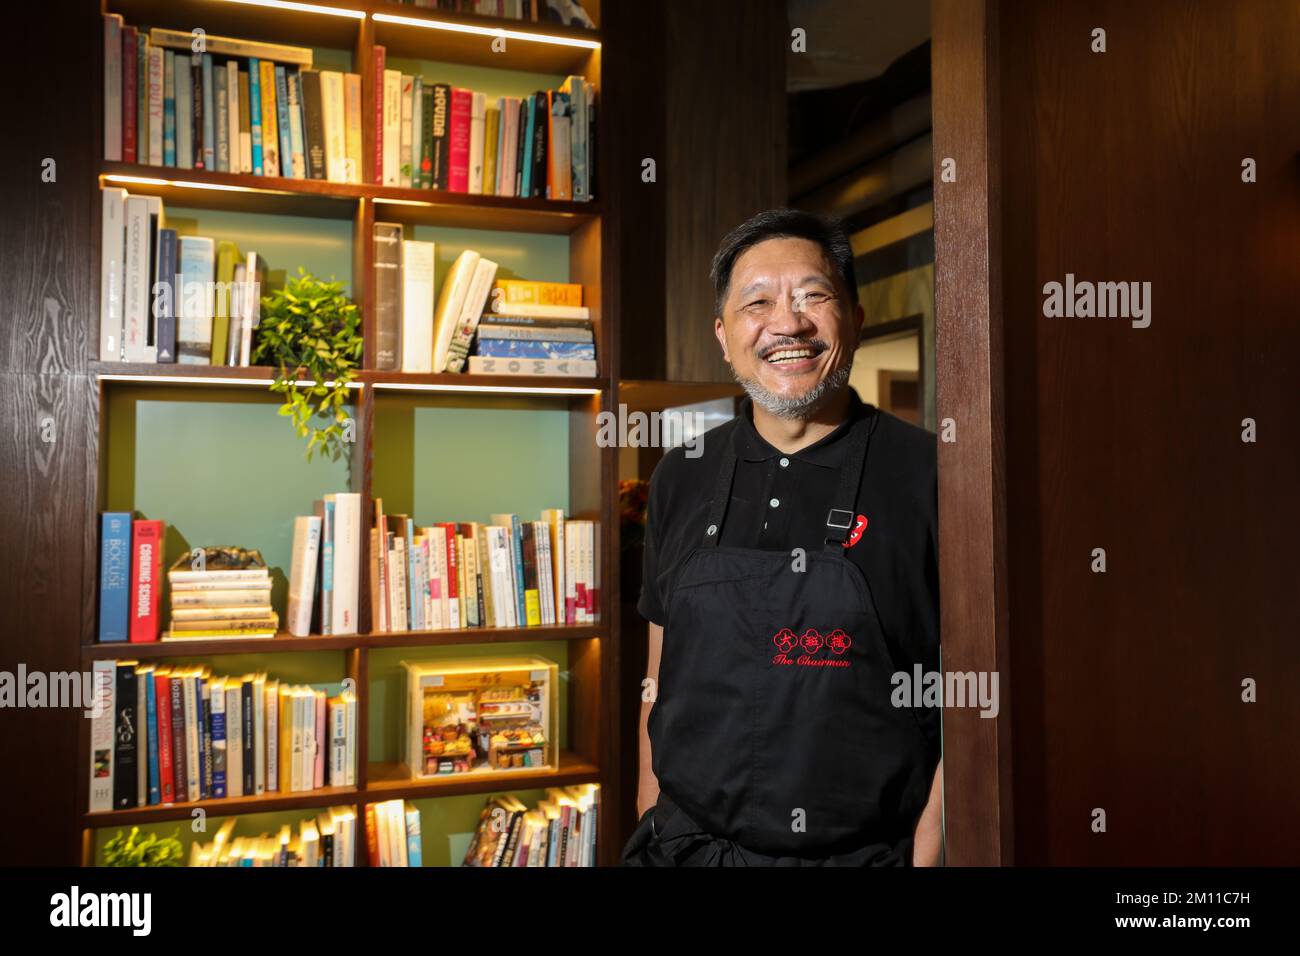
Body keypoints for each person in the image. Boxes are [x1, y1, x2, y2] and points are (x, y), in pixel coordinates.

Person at [621, 208, 943, 866]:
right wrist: (650, 807)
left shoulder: (933, 475)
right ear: (723, 333)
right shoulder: (680, 473)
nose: (787, 323)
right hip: (687, 851)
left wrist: (930, 857)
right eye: (757, 301)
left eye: (812, 295)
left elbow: (969, 698)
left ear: (855, 315)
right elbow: (661, 675)